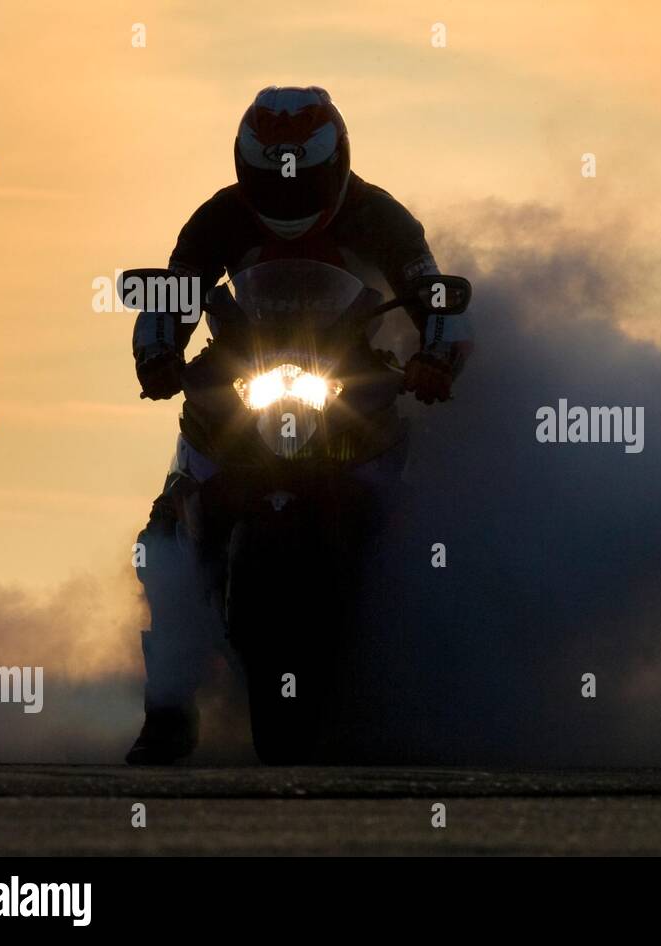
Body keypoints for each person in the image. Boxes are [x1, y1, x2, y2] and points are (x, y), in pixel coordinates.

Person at [126, 86, 472, 764]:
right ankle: (167, 708)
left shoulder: (381, 218)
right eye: (269, 179)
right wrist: (157, 353)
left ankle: (441, 688)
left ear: (336, 165)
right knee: (169, 526)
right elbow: (172, 291)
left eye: (302, 179)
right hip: (235, 383)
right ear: (244, 169)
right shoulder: (218, 219)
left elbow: (436, 292)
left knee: (438, 524)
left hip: (353, 384)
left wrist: (437, 360)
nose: (285, 194)